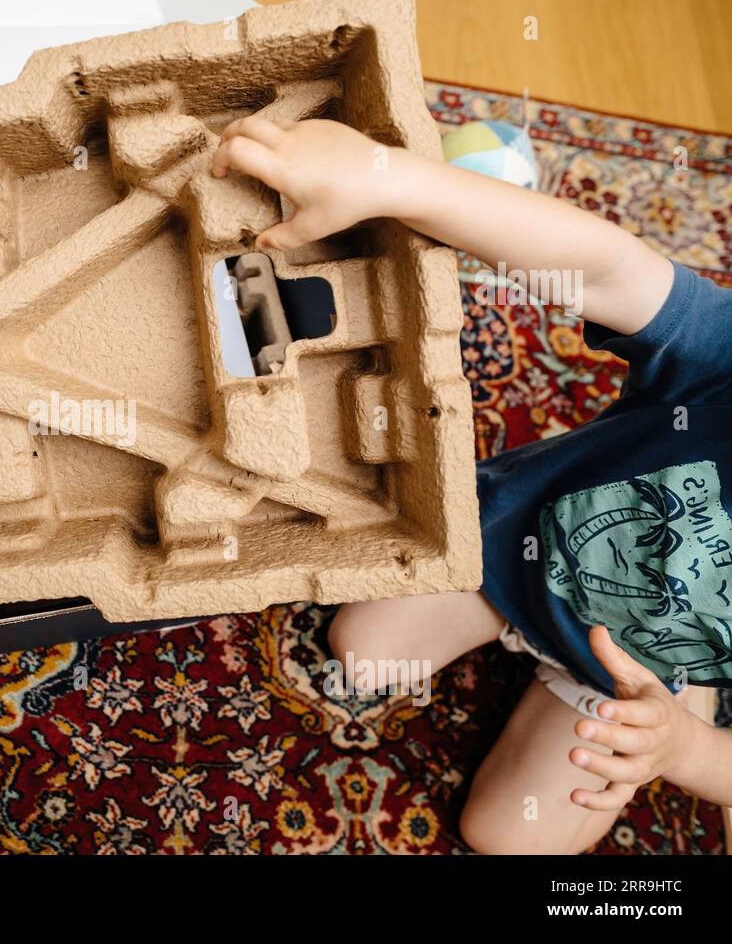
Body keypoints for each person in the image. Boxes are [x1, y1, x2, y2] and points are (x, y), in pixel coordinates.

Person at [211, 117, 732, 854]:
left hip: (638, 676)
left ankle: (692, 693)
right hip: (511, 539)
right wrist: (387, 176)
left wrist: (682, 747)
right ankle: (509, 605)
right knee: (359, 649)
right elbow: (612, 270)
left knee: (507, 839)